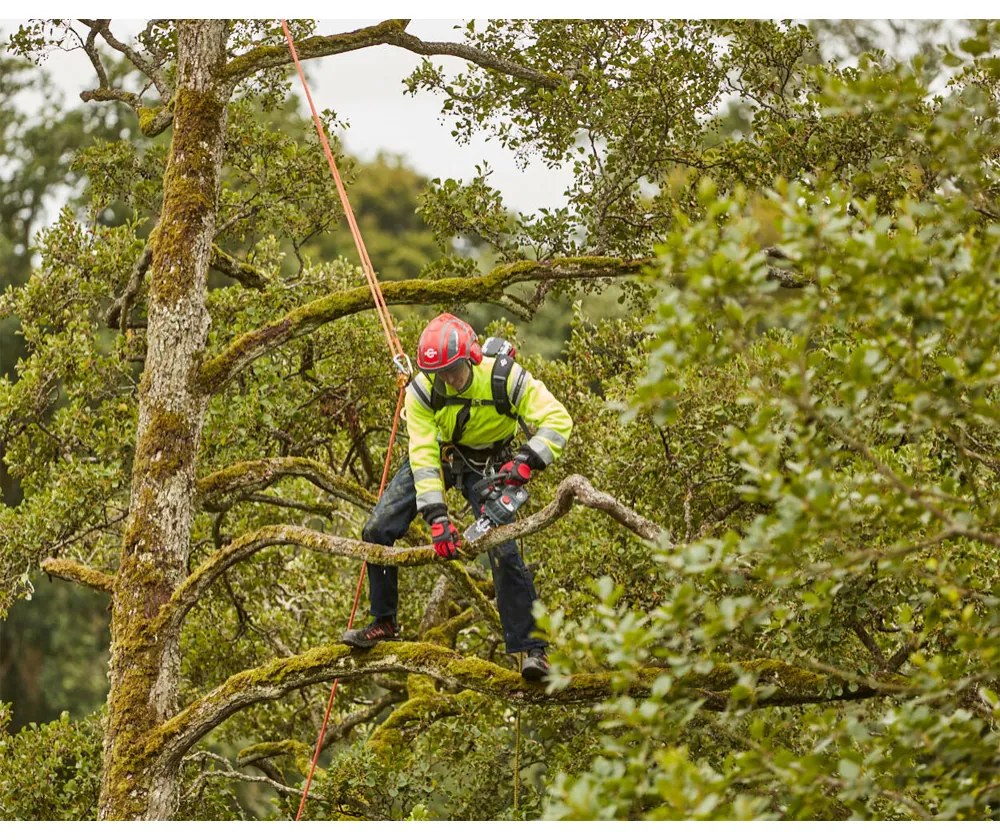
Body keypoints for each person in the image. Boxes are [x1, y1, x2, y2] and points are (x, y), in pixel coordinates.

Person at [342, 313, 573, 680]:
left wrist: (527, 460)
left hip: (488, 464)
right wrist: (436, 516)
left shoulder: (503, 377)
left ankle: (534, 650)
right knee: (377, 529)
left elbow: (558, 420)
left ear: (472, 358)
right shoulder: (422, 390)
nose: (448, 378)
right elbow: (422, 455)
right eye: (440, 373)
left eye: (453, 369)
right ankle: (383, 621)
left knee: (503, 549)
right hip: (443, 454)